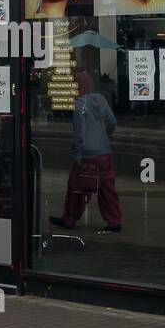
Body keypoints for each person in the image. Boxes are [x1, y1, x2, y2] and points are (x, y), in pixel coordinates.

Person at [50, 67, 122, 234]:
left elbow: (79, 134)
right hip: (105, 152)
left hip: (87, 154)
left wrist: (77, 155)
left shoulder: (79, 104)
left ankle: (69, 219)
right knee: (108, 190)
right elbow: (112, 122)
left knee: (77, 188)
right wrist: (105, 136)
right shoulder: (101, 100)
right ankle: (114, 221)